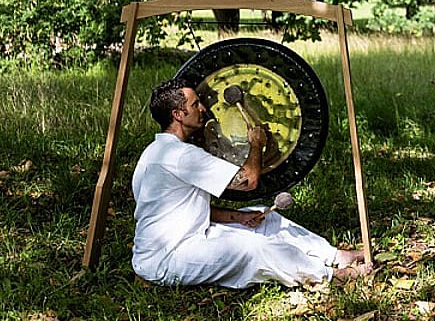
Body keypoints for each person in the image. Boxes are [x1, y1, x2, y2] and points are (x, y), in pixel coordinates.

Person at [131, 76, 371, 288]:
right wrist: (256, 143)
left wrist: (239, 217)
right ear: (178, 115)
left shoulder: (154, 152)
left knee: (264, 218)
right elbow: (248, 181)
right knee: (254, 247)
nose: (203, 108)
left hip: (182, 242)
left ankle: (336, 255)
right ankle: (331, 275)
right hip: (167, 259)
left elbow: (184, 209)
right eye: (195, 105)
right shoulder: (183, 156)